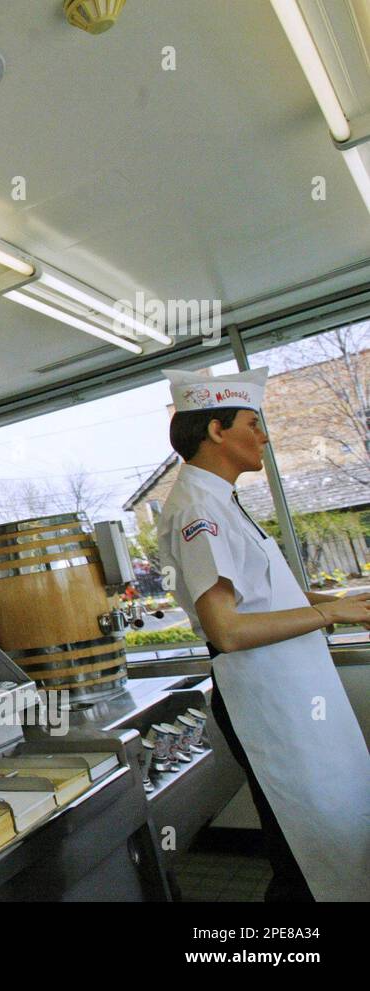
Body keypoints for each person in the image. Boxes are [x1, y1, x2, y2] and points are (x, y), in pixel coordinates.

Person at [157, 367, 370, 901]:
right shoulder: (196, 510)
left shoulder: (222, 500)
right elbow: (226, 629)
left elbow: (269, 594)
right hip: (265, 699)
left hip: (291, 693)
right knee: (302, 842)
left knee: (325, 831)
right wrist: (332, 616)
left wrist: (344, 603)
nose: (266, 437)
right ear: (216, 431)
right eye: (255, 423)